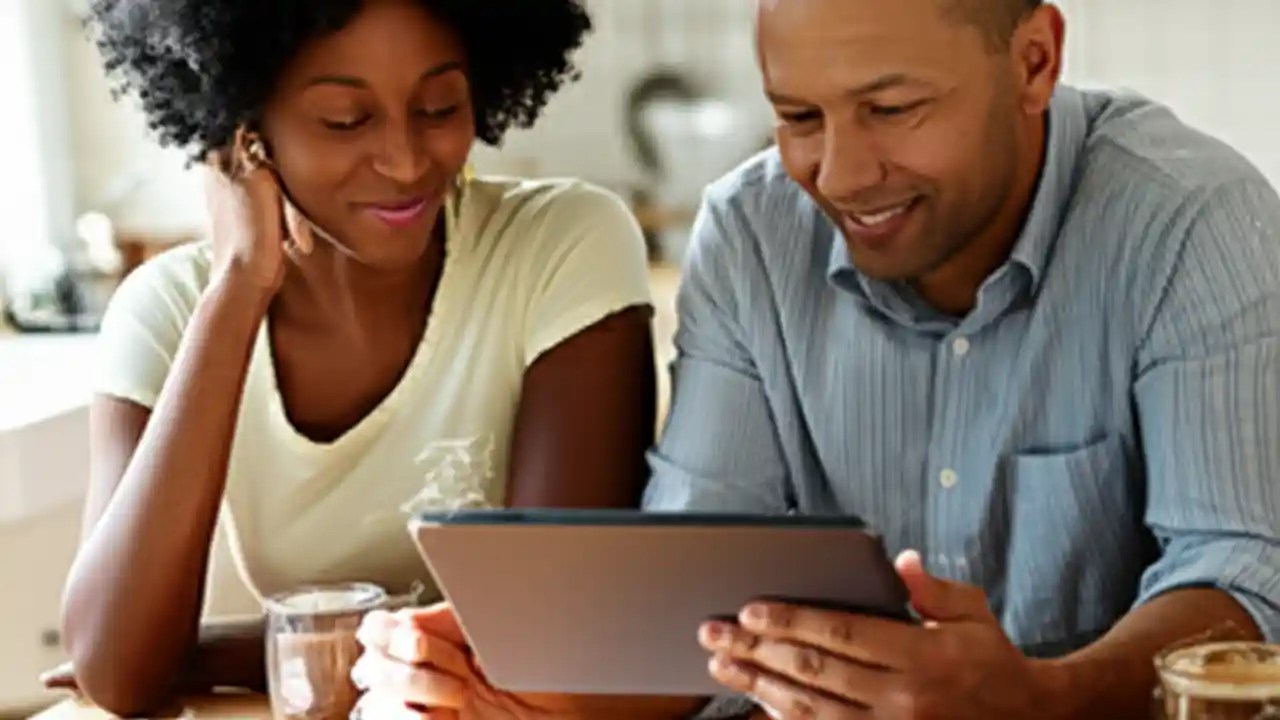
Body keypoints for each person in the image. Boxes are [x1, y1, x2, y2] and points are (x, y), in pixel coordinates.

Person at [356, 0, 1280, 718]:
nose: (837, 175)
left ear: (1034, 61)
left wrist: (1040, 702)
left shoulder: (1193, 223)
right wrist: (509, 681)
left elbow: (1246, 582)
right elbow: (694, 619)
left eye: (892, 109)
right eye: (798, 116)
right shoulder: (752, 234)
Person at [55, 0, 662, 715]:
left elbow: (546, 633)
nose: (406, 160)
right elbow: (117, 670)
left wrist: (246, 646)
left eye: (439, 107)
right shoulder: (169, 310)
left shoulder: (562, 247)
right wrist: (240, 283)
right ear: (244, 128)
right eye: (345, 120)